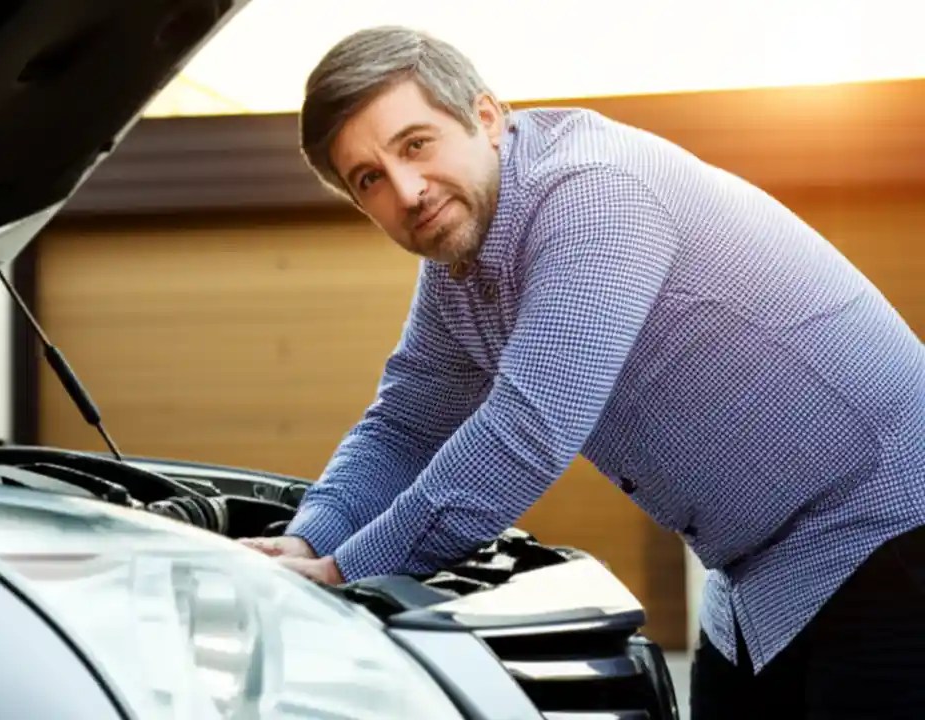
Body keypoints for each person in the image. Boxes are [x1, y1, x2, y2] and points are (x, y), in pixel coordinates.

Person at [237, 24, 925, 719]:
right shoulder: (457, 269)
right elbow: (404, 429)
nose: (408, 190)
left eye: (416, 144)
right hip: (757, 572)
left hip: (889, 524)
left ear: (485, 117)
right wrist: (310, 536)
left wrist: (343, 573)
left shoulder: (591, 193)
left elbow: (529, 429)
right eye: (371, 179)